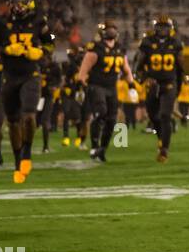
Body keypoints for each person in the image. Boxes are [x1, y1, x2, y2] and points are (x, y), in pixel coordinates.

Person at [0, 0, 54, 182]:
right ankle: (18, 162)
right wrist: (5, 49)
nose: (18, 5)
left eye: (21, 0)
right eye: (14, 1)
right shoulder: (0, 23)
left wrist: (41, 54)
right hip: (9, 77)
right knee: (13, 122)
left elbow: (51, 42)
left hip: (31, 75)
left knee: (29, 117)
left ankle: (27, 153)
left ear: (29, 2)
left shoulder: (39, 21)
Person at [76, 20, 132, 164]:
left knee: (112, 120)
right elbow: (84, 69)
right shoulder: (96, 48)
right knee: (101, 113)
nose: (112, 30)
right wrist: (81, 85)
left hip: (112, 87)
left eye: (113, 28)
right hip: (97, 86)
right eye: (109, 28)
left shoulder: (120, 49)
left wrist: (131, 84)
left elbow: (126, 69)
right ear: (102, 32)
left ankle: (102, 149)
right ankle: (94, 146)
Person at [133, 15, 183, 162]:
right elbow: (138, 67)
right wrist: (144, 79)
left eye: (165, 27)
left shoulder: (176, 43)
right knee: (153, 115)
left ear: (170, 28)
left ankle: (164, 150)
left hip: (169, 83)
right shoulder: (147, 43)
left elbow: (180, 69)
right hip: (153, 84)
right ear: (155, 28)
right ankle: (161, 137)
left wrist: (178, 87)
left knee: (165, 115)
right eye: (160, 27)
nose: (162, 29)